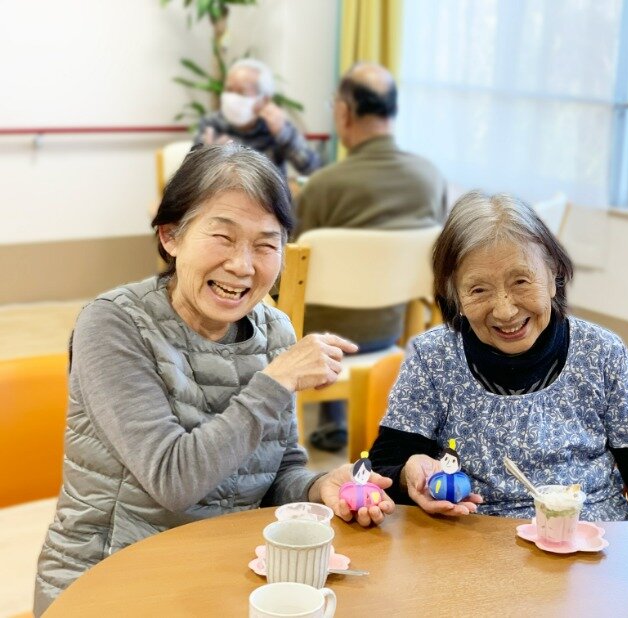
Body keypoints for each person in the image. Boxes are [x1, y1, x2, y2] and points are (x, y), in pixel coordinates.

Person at [33, 144, 394, 616]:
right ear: (171, 236)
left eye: (266, 244)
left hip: (222, 575)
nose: (243, 265)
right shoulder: (113, 325)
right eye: (223, 237)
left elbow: (275, 472)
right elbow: (174, 481)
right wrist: (275, 382)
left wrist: (318, 486)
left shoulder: (276, 330)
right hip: (109, 579)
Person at [369, 191, 628, 521]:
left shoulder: (601, 353)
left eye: (521, 281)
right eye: (478, 290)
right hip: (472, 541)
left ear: (553, 277)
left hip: (592, 541)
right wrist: (409, 473)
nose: (505, 310)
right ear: (455, 296)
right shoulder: (433, 358)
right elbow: (386, 468)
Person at [294, 61, 448, 452]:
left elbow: (288, 270)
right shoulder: (429, 178)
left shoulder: (323, 187)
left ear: (344, 112)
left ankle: (328, 420)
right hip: (389, 333)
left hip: (320, 343)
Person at [195, 58, 321, 180]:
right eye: (229, 90)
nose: (232, 98)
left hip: (270, 194)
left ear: (264, 100)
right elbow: (191, 174)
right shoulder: (212, 124)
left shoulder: (276, 127)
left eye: (241, 93)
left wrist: (283, 134)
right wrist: (209, 156)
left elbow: (314, 170)